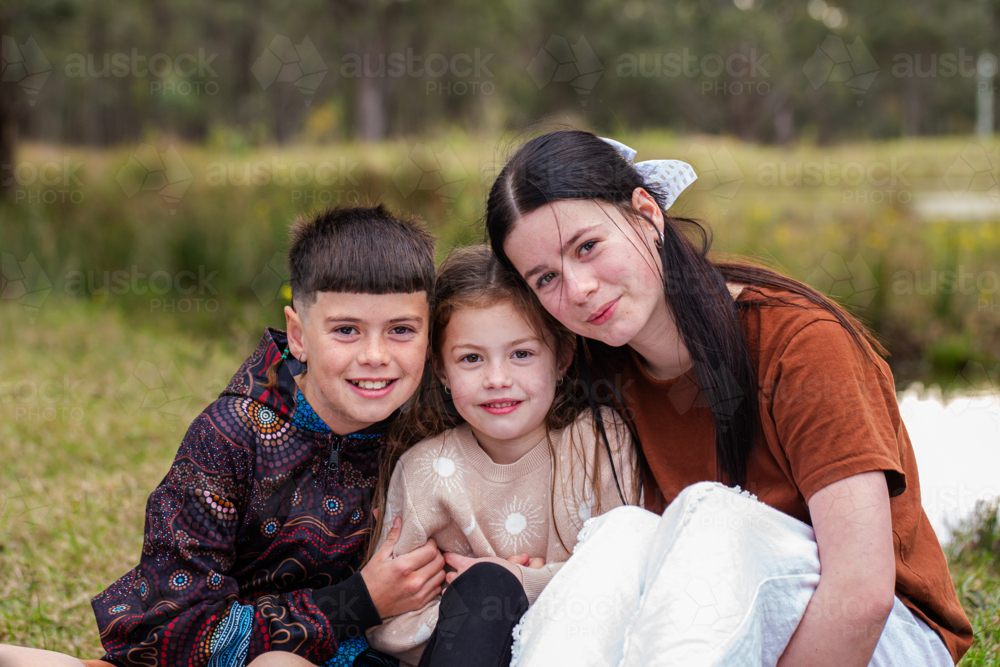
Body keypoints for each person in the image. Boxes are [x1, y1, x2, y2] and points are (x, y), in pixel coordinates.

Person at [483, 130, 974, 666]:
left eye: (588, 247)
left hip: (881, 641)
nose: (577, 289)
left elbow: (861, 594)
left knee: (712, 512)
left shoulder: (802, 345)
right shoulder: (596, 366)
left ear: (647, 216)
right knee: (622, 533)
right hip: (713, 637)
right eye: (546, 277)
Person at [0, 205, 446, 667]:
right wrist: (358, 601)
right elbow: (175, 626)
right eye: (347, 330)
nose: (375, 355)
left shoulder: (426, 431)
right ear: (298, 335)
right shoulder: (231, 436)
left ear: (429, 336)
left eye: (400, 330)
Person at [364, 245, 640, 667]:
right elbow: (390, 622)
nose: (497, 379)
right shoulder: (425, 470)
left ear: (562, 357)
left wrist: (521, 582)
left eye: (522, 354)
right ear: (440, 369)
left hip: (583, 652)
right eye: (471, 358)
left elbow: (630, 573)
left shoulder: (600, 443)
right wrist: (476, 601)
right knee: (486, 588)